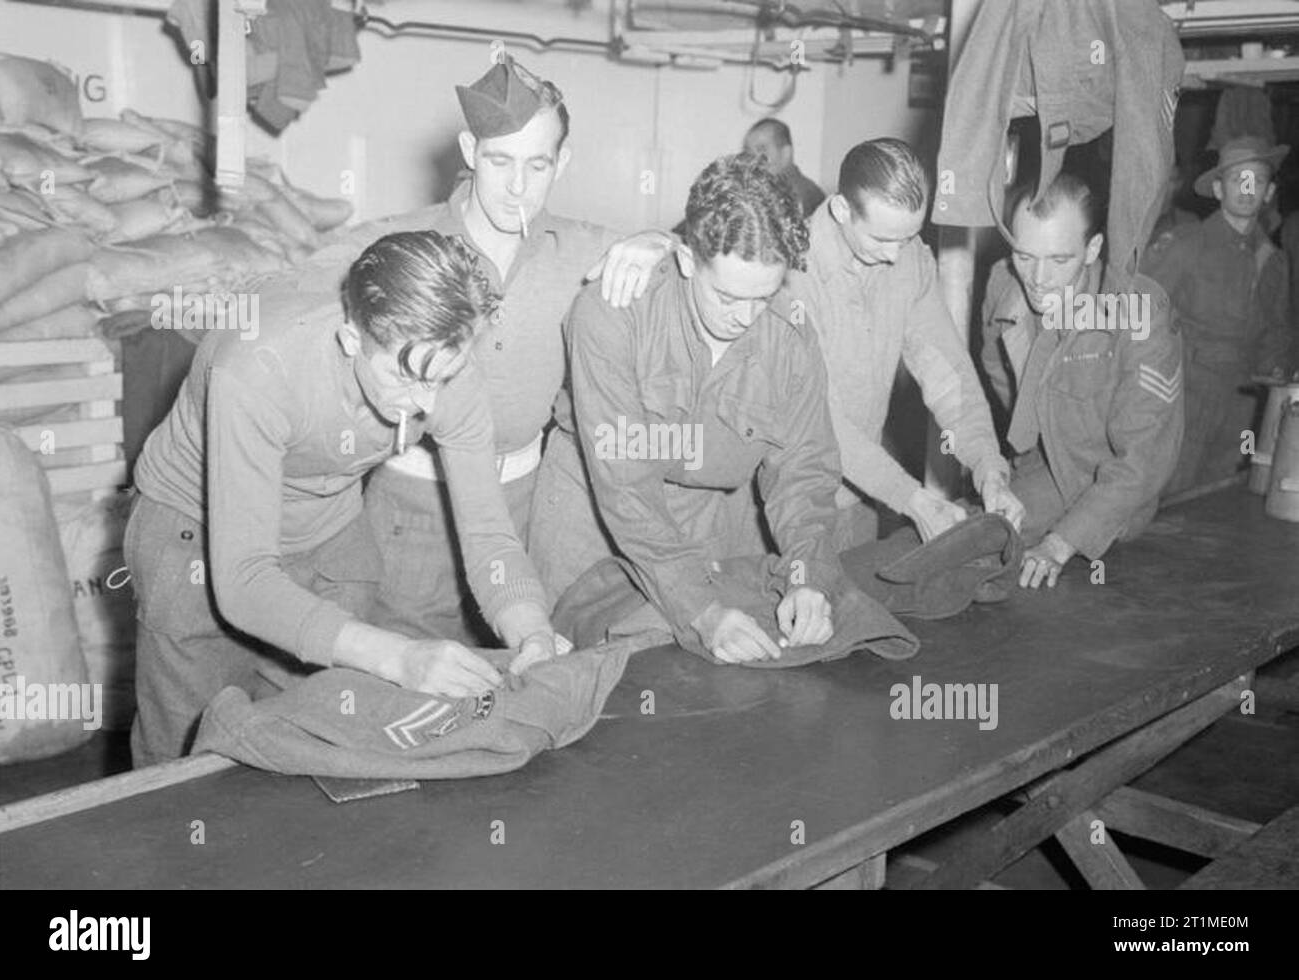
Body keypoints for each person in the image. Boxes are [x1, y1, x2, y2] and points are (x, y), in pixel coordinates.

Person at [126, 232, 556, 765]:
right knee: (188, 757)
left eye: (444, 377)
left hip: (327, 525)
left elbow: (489, 537)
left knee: (324, 737)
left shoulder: (437, 365)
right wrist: (399, 657)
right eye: (405, 377)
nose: (427, 403)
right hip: (197, 525)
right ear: (352, 339)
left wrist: (531, 630)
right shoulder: (258, 366)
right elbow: (244, 583)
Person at [298, 56, 673, 642]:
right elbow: (293, 299)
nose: (518, 186)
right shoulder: (401, 244)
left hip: (527, 502)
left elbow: (701, 267)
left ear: (561, 163)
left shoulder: (586, 251)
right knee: (411, 672)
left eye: (537, 164)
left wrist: (659, 243)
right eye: (500, 161)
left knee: (519, 656)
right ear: (470, 150)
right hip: (416, 500)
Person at [533, 153, 843, 664]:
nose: (746, 319)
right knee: (576, 677)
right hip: (590, 519)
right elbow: (625, 485)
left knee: (686, 685)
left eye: (763, 297)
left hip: (702, 524)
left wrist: (806, 576)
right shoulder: (612, 315)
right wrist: (700, 609)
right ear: (684, 259)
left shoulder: (790, 335)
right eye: (727, 297)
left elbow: (803, 471)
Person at [787, 137, 1024, 547]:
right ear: (842, 210)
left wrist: (989, 470)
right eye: (881, 239)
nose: (895, 256)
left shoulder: (908, 258)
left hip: (860, 497)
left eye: (908, 236)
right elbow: (817, 418)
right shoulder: (793, 272)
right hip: (785, 503)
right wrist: (911, 499)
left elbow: (949, 379)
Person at [981, 174, 1184, 589]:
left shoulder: (1138, 311)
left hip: (1107, 488)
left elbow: (1143, 458)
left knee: (981, 545)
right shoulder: (1003, 282)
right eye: (1024, 255)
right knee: (962, 536)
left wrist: (1061, 543)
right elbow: (997, 371)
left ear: (1092, 249)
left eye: (1059, 260)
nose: (1038, 278)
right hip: (1036, 467)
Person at [1142, 136, 1293, 493]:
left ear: (1269, 192)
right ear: (1218, 188)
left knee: (1227, 489)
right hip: (1184, 399)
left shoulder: (1273, 261)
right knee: (1166, 493)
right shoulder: (1185, 244)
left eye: (1257, 180)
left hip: (1243, 411)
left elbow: (1278, 335)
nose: (1247, 189)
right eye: (1238, 179)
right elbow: (1140, 315)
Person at [743, 117, 825, 217]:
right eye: (748, 152)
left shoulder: (797, 196)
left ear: (786, 153)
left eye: (762, 149)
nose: (753, 158)